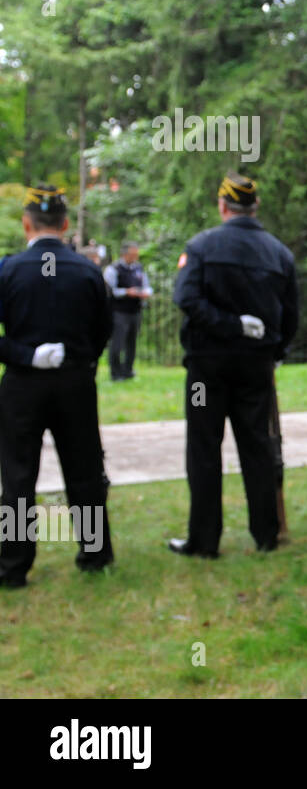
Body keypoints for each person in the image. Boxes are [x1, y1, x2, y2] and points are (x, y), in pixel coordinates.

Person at [168, 173, 298, 559]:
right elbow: (290, 317)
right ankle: (266, 533)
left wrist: (226, 325)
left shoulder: (202, 246)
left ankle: (204, 540)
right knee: (257, 445)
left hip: (206, 368)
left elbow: (186, 299)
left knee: (204, 448)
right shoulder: (279, 253)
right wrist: (272, 348)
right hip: (256, 364)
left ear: (223, 207)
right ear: (255, 208)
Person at [0, 185, 114, 587]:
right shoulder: (88, 271)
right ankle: (95, 553)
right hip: (75, 383)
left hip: (22, 385)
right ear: (65, 225)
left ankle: (13, 567)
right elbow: (105, 329)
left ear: (26, 223)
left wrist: (25, 355)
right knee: (84, 471)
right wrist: (81, 361)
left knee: (17, 476)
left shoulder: (8, 269)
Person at [103, 240, 154, 381]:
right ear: (125, 254)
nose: (135, 257)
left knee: (132, 342)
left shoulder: (139, 268)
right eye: (133, 254)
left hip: (135, 310)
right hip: (119, 311)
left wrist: (145, 293)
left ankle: (128, 370)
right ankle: (116, 373)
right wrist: (127, 292)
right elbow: (110, 291)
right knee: (117, 342)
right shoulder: (113, 269)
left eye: (136, 254)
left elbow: (147, 286)